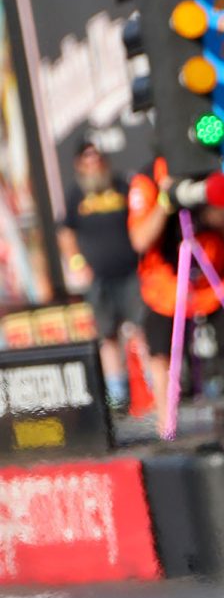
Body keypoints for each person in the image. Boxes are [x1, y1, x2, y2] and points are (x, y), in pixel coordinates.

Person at [126, 158, 224, 431]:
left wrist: (204, 199)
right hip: (167, 288)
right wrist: (167, 201)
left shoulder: (209, 163)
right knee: (161, 355)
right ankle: (167, 426)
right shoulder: (147, 177)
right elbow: (140, 239)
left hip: (215, 281)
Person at [57, 141, 141, 410]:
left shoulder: (121, 185)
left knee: (140, 329)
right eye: (87, 157)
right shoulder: (75, 194)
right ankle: (117, 395)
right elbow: (65, 232)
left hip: (130, 272)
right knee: (108, 335)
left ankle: (149, 387)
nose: (93, 162)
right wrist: (77, 262)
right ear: (79, 164)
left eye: (97, 156)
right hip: (99, 278)